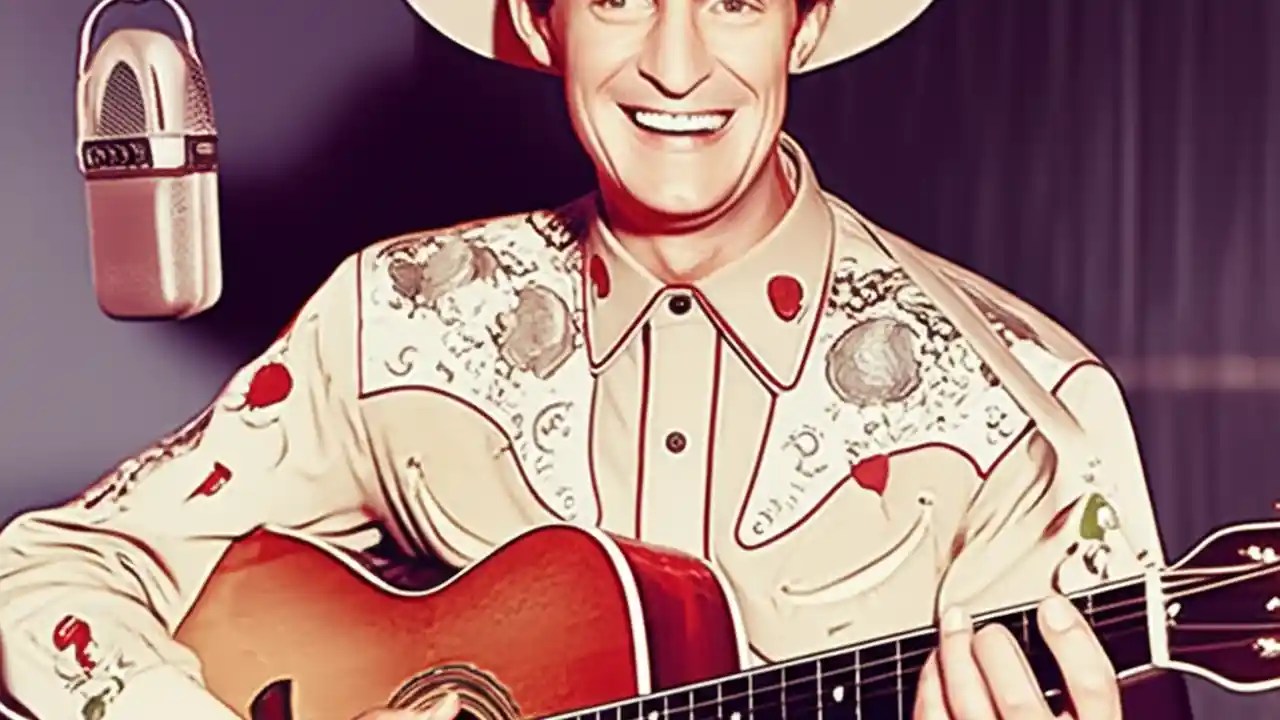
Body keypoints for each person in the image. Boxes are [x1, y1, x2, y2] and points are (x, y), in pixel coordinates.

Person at [0, 1, 1192, 718]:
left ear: (804, 18)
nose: (676, 65)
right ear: (540, 17)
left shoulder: (1027, 414)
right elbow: (52, 570)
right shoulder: (397, 315)